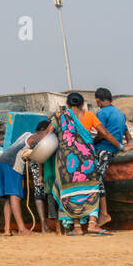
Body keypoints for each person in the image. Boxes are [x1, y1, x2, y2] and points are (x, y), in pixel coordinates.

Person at [48, 92, 104, 235]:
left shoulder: (60, 117)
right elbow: (103, 133)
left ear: (67, 105)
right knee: (91, 190)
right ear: (81, 104)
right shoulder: (90, 116)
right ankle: (92, 224)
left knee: (70, 193)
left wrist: (33, 147)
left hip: (67, 162)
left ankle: (77, 227)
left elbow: (47, 134)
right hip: (87, 160)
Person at [0, 121, 50, 235]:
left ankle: (7, 229)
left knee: (8, 197)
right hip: (13, 164)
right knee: (15, 196)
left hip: (2, 161)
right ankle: (22, 228)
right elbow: (39, 153)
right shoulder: (38, 137)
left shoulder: (26, 134)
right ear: (43, 131)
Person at [91, 87, 133, 229]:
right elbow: (127, 133)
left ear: (98, 100)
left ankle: (103, 213)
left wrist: (92, 142)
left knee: (97, 179)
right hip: (115, 150)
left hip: (104, 149)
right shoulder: (120, 114)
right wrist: (129, 145)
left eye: (97, 101)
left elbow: (102, 133)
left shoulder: (102, 113)